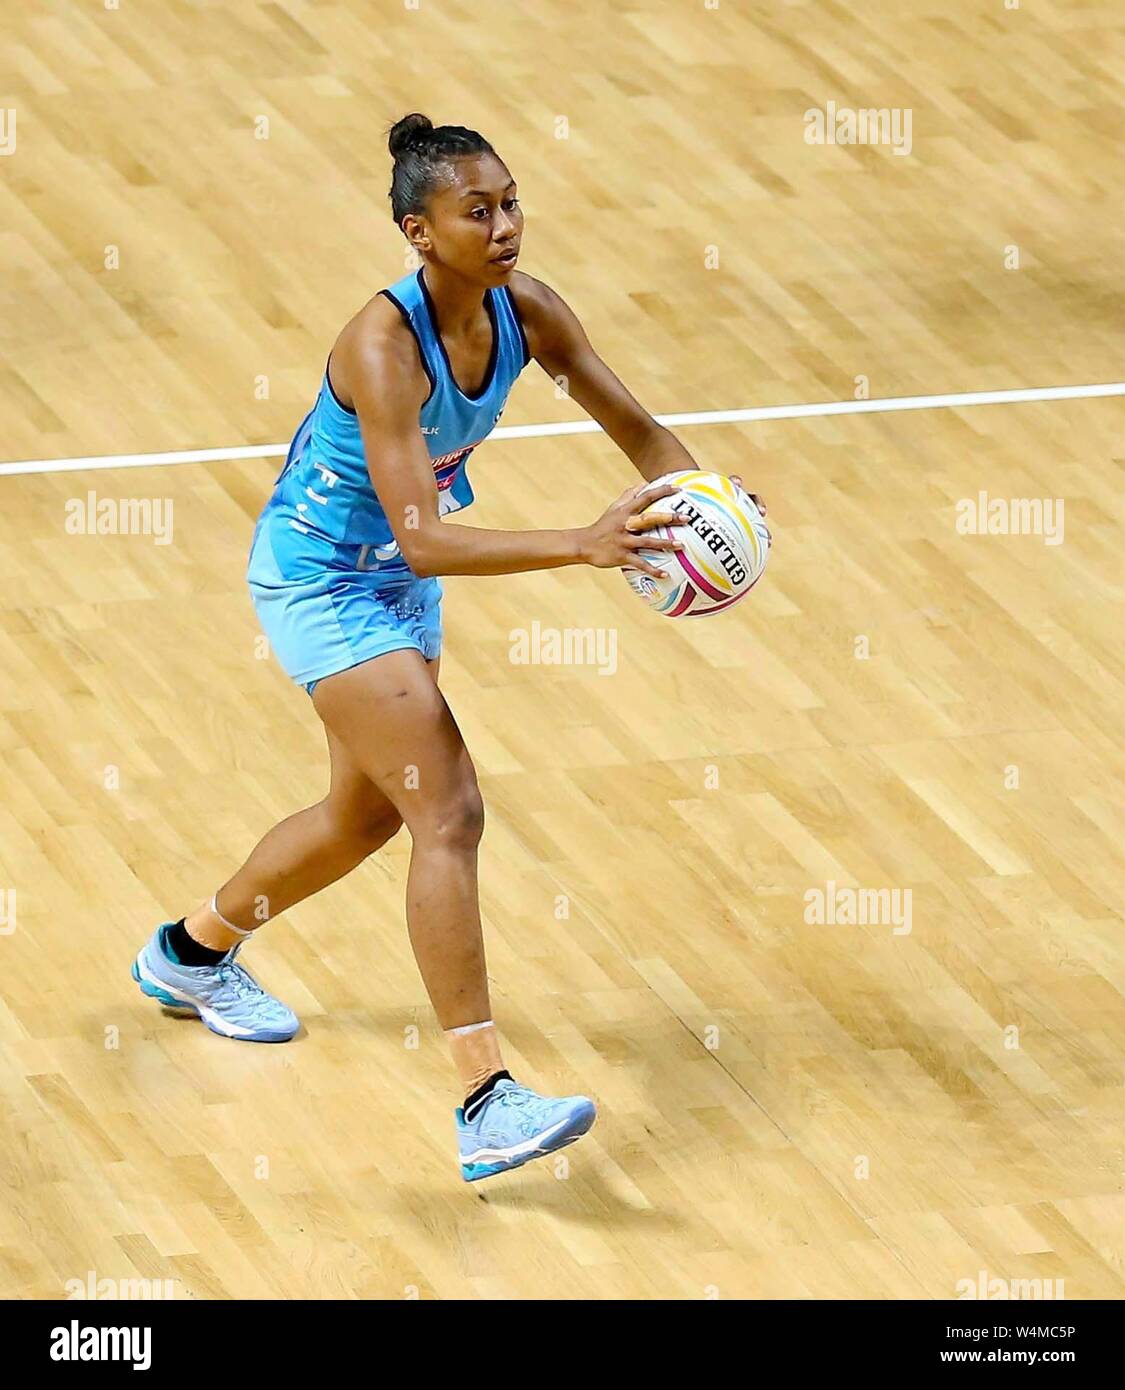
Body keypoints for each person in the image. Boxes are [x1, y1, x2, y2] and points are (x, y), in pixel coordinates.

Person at [132, 113, 767, 1182]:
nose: (506, 225)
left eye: (511, 201)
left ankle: (190, 952)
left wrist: (702, 506)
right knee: (450, 807)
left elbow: (641, 429)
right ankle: (484, 1098)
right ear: (419, 232)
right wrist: (585, 543)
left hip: (394, 576)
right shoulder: (380, 347)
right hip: (326, 578)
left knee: (366, 812)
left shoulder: (529, 311)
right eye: (479, 211)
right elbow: (423, 536)